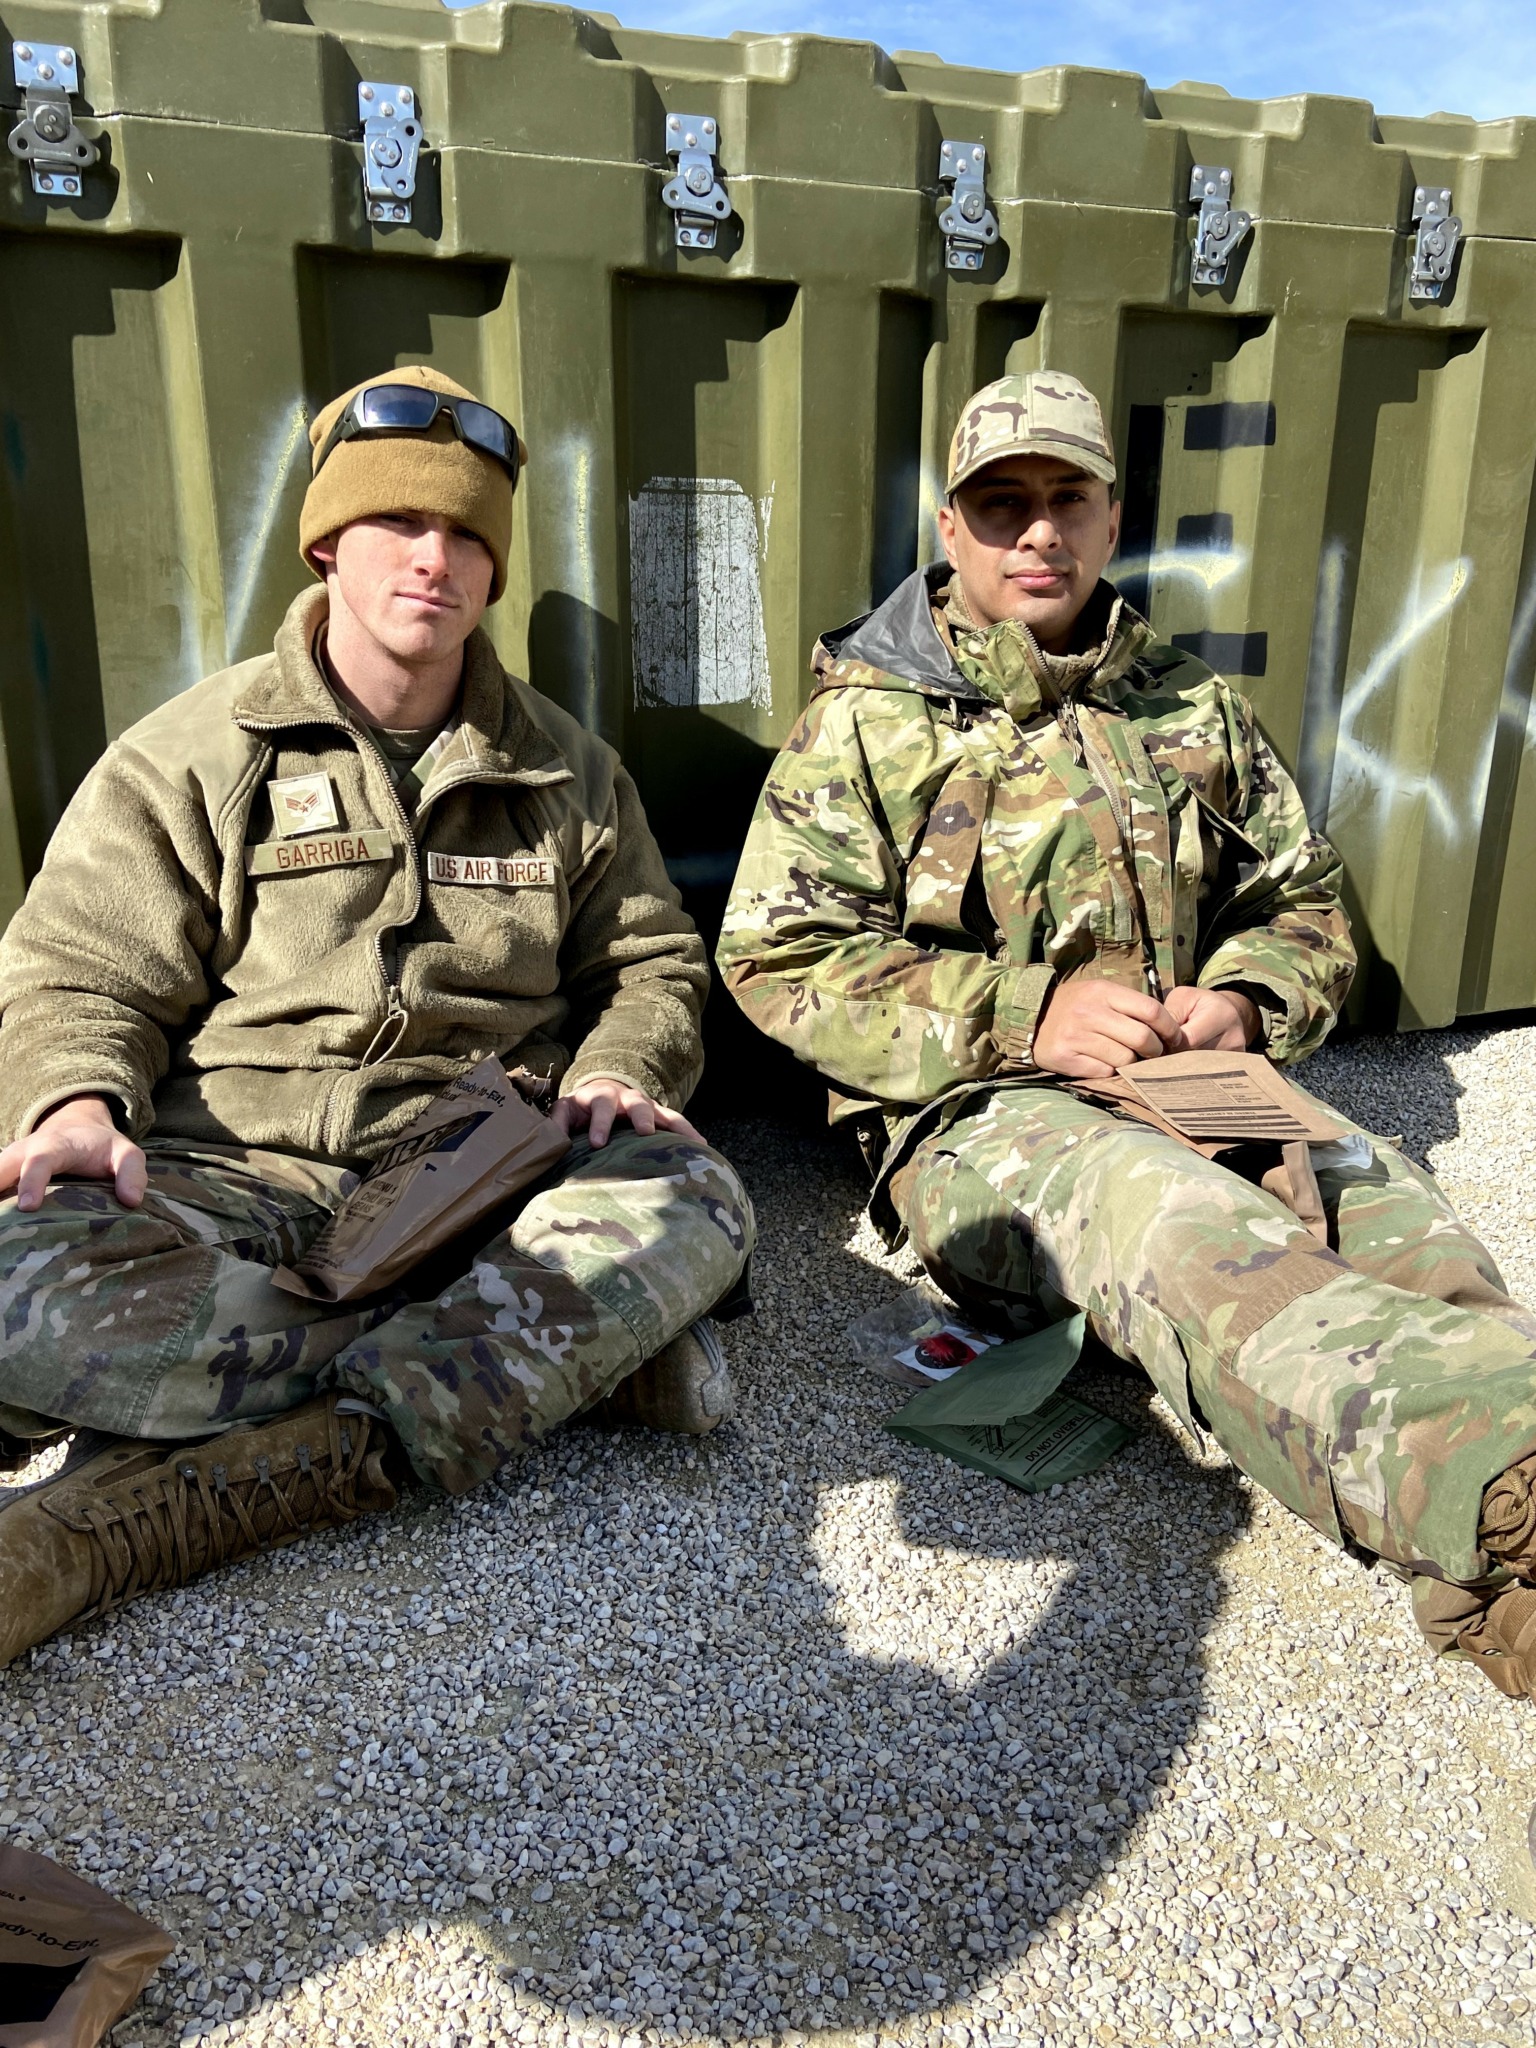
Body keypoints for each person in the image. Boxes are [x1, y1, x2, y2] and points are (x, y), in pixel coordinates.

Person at [717, 369, 1536, 1700]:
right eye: (1003, 504)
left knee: (1394, 1215)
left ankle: (1501, 1554)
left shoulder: (1189, 708)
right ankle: (1505, 1498)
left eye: (1068, 499)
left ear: (1111, 519)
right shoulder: (866, 723)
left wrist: (1246, 998)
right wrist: (1028, 1012)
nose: (1038, 531)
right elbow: (775, 958)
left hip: (1195, 1075)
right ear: (950, 527)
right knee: (1184, 1234)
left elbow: (1305, 906)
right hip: (981, 1118)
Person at [0, 365, 753, 1662]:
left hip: (477, 1182)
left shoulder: (569, 774)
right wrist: (74, 1106)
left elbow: (651, 965)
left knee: (697, 1203)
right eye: (399, 521)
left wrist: (623, 1071)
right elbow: (79, 967)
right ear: (326, 543)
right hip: (229, 1175)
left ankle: (186, 1501)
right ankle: (553, 1360)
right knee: (17, 1287)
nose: (433, 559)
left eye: (466, 533)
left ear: (495, 568)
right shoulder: (193, 754)